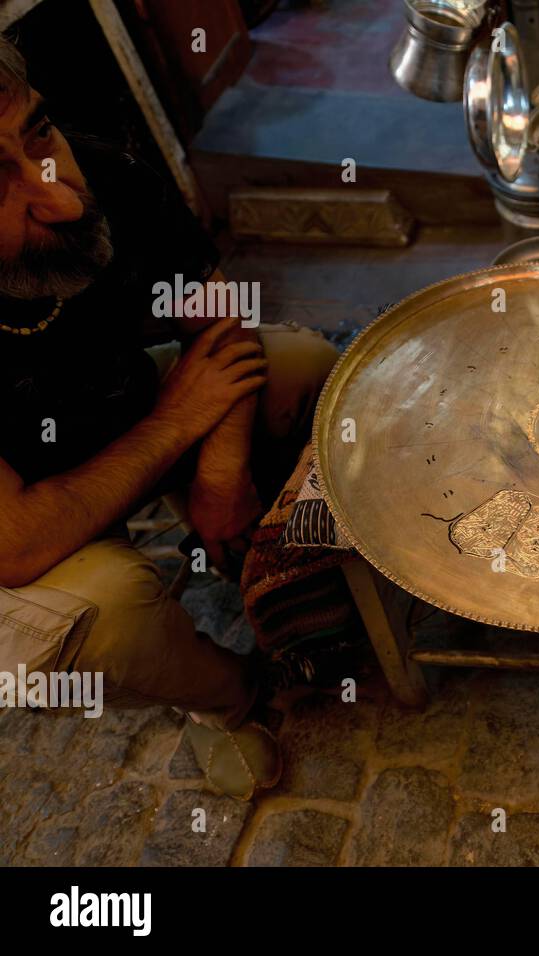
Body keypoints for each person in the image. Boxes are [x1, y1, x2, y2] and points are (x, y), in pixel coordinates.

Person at [0, 37, 338, 799]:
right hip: (23, 522)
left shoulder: (95, 169)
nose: (61, 196)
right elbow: (16, 544)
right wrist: (178, 425)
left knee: (301, 368)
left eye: (38, 133)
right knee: (102, 617)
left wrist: (219, 474)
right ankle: (225, 696)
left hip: (125, 409)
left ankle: (276, 572)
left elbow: (217, 313)